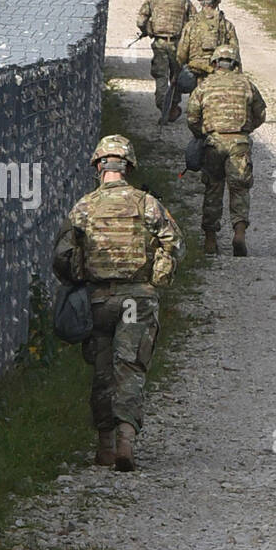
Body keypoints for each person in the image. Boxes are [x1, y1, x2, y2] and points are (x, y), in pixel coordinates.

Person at [53, 135, 184, 470]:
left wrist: (77, 279)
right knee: (130, 367)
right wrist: (159, 278)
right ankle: (127, 438)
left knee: (101, 372)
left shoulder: (84, 206)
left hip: (98, 299)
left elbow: (63, 255)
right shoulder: (146, 203)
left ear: (100, 166)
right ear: (128, 167)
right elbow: (173, 241)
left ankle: (105, 445)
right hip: (137, 298)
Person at [186, 45, 267, 256]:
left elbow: (192, 117)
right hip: (239, 142)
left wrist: (201, 134)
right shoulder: (246, 84)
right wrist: (245, 130)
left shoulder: (205, 86)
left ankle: (210, 240)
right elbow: (260, 114)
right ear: (235, 64)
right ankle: (239, 233)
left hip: (213, 142)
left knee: (213, 188)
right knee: (239, 188)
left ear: (214, 63)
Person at [136, 0, 195, 119]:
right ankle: (173, 106)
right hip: (178, 44)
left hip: (160, 43)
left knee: (161, 76)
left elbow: (141, 21)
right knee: (176, 76)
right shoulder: (183, 0)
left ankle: (163, 105)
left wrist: (147, 30)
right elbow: (194, 21)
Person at [177, 0, 240, 82]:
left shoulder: (191, 25)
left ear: (201, 2)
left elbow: (182, 52)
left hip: (196, 70)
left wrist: (181, 67)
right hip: (219, 70)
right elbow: (234, 51)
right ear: (217, 2)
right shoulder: (227, 25)